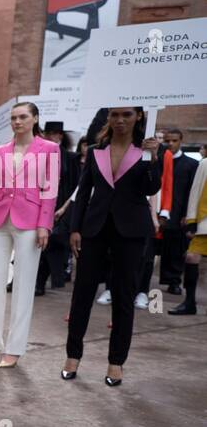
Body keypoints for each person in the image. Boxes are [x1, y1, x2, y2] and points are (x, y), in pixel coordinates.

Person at [61, 107, 162, 386]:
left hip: (131, 231)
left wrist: (154, 158)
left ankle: (116, 362)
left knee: (123, 296)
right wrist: (75, 229)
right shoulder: (96, 151)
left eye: (126, 115)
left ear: (138, 117)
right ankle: (72, 355)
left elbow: (151, 189)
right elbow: (83, 193)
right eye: (115, 114)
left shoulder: (146, 151)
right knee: (82, 294)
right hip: (94, 229)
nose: (120, 120)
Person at [0, 101, 59, 368]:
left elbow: (50, 190)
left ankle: (14, 348)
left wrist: (44, 225)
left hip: (31, 222)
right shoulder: (0, 151)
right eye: (13, 118)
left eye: (23, 117)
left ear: (35, 119)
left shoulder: (49, 149)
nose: (17, 122)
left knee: (23, 285)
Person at [35, 121, 81, 294]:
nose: (50, 136)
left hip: (62, 205)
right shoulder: (39, 154)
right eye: (48, 133)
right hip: (40, 202)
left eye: (54, 133)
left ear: (60, 135)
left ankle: (41, 281)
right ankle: (32, 281)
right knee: (36, 243)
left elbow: (77, 186)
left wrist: (65, 208)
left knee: (53, 243)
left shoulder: (70, 157)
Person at [155, 128, 199, 295]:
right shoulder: (157, 160)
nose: (170, 144)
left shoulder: (191, 164)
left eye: (174, 141)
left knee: (175, 250)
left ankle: (173, 281)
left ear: (181, 141)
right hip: (157, 210)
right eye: (167, 140)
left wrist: (188, 214)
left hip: (178, 212)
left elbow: (192, 191)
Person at [171, 158, 207, 314]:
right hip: (205, 220)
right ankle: (189, 302)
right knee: (191, 257)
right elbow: (195, 192)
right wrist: (192, 220)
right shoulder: (205, 164)